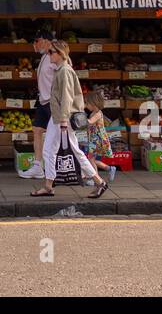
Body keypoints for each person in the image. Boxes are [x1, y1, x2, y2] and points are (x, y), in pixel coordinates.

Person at [30, 41, 106, 200]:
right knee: (49, 150)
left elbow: (66, 97)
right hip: (57, 117)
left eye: (51, 52)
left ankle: (99, 182)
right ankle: (48, 186)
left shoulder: (64, 71)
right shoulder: (61, 70)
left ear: (60, 54)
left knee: (74, 151)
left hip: (62, 118)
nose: (49, 54)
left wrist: (64, 120)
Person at [18, 28, 57, 180]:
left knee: (64, 136)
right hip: (43, 100)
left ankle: (82, 168)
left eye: (36, 41)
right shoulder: (44, 56)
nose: (34, 45)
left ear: (45, 40)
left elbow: (64, 74)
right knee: (37, 130)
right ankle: (37, 166)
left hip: (53, 102)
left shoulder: (55, 54)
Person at [81, 90, 117, 184]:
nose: (86, 105)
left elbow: (90, 122)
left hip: (97, 139)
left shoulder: (97, 114)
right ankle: (109, 168)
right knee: (91, 159)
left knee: (90, 159)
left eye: (87, 103)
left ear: (93, 103)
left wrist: (80, 119)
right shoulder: (93, 112)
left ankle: (95, 179)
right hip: (94, 139)